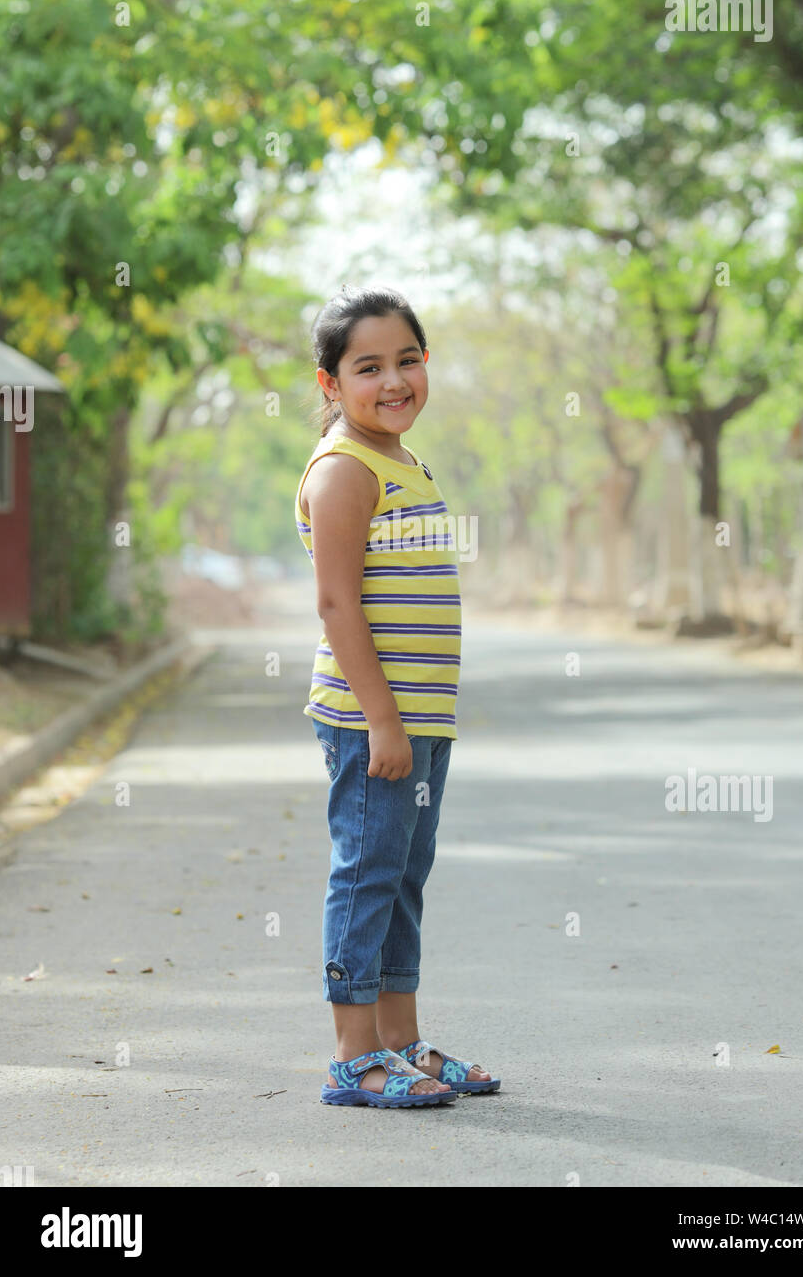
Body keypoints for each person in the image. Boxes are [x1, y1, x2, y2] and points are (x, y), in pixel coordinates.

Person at [294, 284, 500, 1109]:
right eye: (368, 366)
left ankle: (400, 1042)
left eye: (407, 360)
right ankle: (353, 1057)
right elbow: (338, 603)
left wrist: (413, 719)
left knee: (405, 874)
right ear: (329, 385)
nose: (393, 381)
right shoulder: (345, 470)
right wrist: (382, 717)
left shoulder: (403, 460)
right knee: (368, 874)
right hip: (369, 718)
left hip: (419, 718)